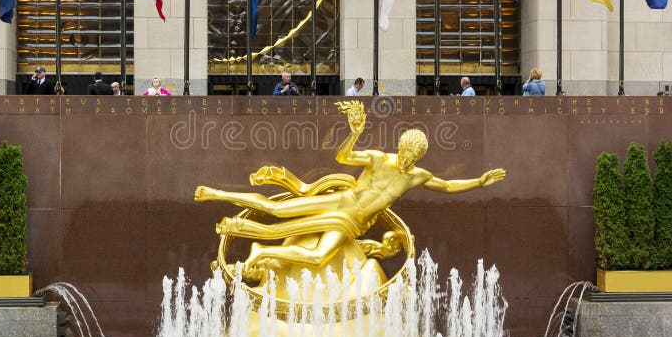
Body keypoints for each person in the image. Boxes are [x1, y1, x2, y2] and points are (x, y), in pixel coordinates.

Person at [195, 100, 505, 279]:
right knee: (276, 209)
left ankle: (262, 251)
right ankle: (216, 194)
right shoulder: (379, 159)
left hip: (352, 222)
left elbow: (448, 185)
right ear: (401, 147)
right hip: (342, 201)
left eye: (415, 158)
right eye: (407, 155)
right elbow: (343, 157)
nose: (409, 162)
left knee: (317, 257)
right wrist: (354, 134)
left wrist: (479, 182)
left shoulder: (416, 176)